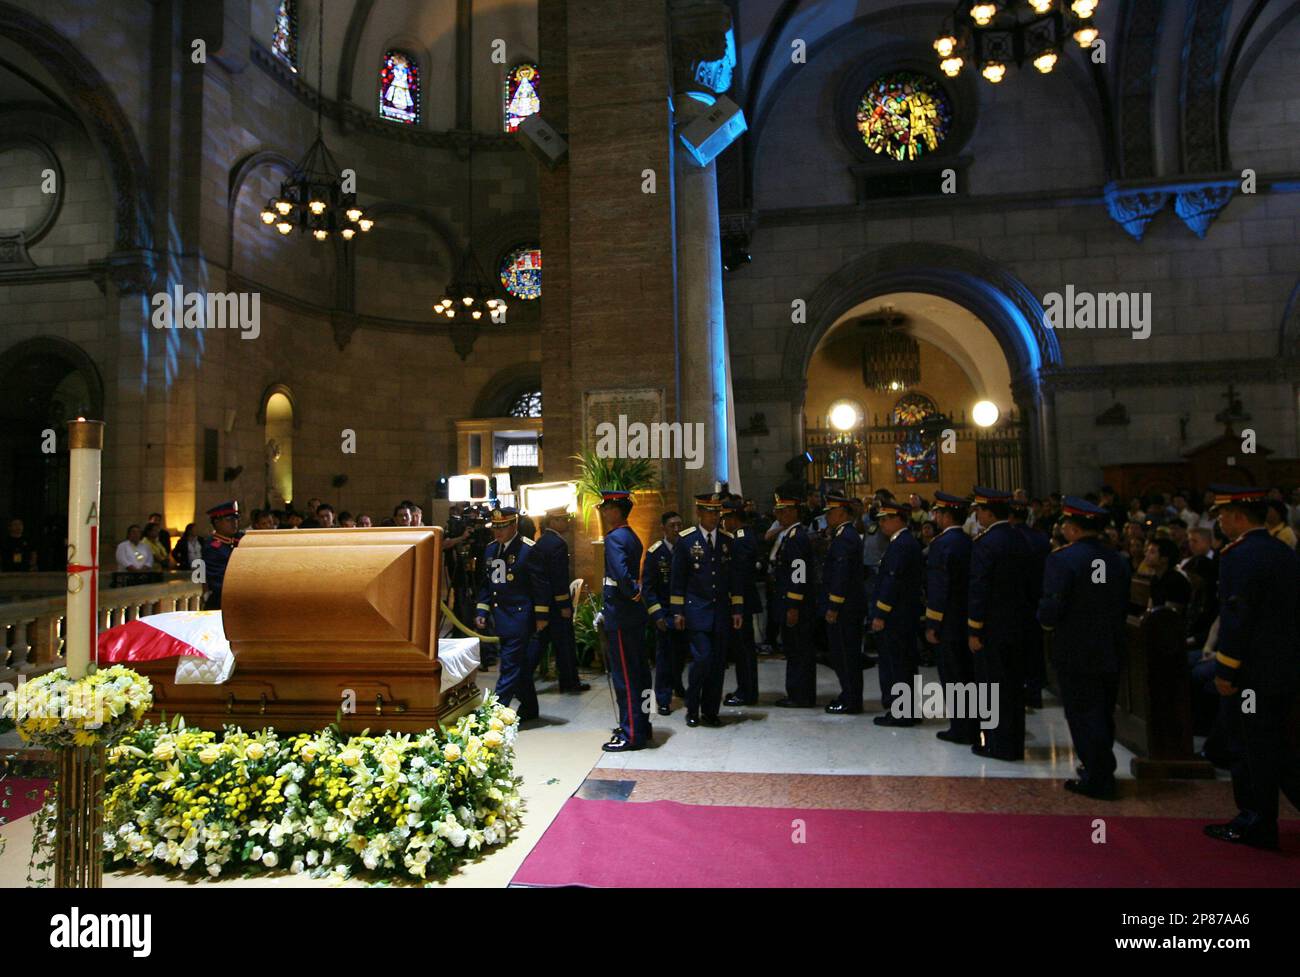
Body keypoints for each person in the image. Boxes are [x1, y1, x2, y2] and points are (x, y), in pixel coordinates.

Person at [1203, 485, 1300, 850]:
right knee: (1278, 747)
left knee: (1248, 747)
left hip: (1251, 675)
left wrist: (1226, 670)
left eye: (1223, 515)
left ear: (1239, 517)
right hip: (1283, 669)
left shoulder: (1240, 555)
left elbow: (1237, 618)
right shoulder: (1283, 551)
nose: (1221, 522)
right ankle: (1259, 819)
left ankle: (1255, 822)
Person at [1038, 497, 1132, 799]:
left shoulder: (1063, 559)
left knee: (1081, 712)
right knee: (1103, 710)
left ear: (1074, 528)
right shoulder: (1117, 559)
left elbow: (1052, 604)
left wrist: (1047, 625)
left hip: (1076, 647)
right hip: (1111, 645)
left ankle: (1097, 776)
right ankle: (1101, 766)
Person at [966, 487, 1033, 761]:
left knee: (992, 686)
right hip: (1019, 625)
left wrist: (974, 628)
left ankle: (996, 743)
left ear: (989, 513)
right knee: (1014, 687)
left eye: (979, 510)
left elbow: (979, 588)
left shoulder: (986, 543)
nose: (976, 514)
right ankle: (1014, 742)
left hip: (992, 628)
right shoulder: (1022, 539)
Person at [671, 491, 742, 728]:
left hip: (720, 612)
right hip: (696, 611)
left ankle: (711, 711)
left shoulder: (726, 540)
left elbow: (734, 578)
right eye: (710, 512)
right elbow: (678, 579)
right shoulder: (686, 540)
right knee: (702, 659)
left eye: (717, 512)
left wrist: (737, 609)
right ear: (699, 513)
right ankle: (692, 708)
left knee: (717, 664)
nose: (714, 517)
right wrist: (678, 610)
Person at [474, 507, 548, 722]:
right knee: (520, 665)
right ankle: (530, 707)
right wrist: (482, 610)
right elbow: (487, 585)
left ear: (513, 526)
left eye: (502, 527)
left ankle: (494, 712)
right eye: (495, 527)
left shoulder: (527, 550)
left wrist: (541, 616)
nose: (497, 532)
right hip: (501, 615)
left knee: (509, 664)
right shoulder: (491, 550)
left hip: (520, 617)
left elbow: (540, 586)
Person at [597, 490, 653, 752]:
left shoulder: (614, 538)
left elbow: (620, 574)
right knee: (640, 674)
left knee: (626, 678)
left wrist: (632, 593)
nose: (604, 512)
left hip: (621, 613)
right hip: (631, 614)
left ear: (618, 510)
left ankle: (631, 734)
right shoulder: (630, 535)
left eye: (607, 508)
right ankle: (642, 724)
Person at [925, 492, 975, 743]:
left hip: (947, 620)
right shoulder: (968, 541)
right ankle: (971, 723)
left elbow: (939, 586)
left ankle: (961, 728)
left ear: (946, 516)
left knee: (953, 674)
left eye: (938, 513)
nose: (935, 517)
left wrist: (933, 622)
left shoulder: (942, 544)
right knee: (966, 673)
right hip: (965, 617)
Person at [868, 497, 922, 724]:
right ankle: (908, 710)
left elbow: (892, 582)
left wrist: (880, 613)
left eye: (887, 519)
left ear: (899, 520)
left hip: (896, 616)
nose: (882, 524)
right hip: (903, 614)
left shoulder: (901, 544)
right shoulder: (903, 541)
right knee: (904, 663)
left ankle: (901, 712)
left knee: (897, 664)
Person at [530, 506, 589, 694]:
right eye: (562, 519)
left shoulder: (541, 542)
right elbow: (558, 577)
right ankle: (569, 682)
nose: (566, 522)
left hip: (544, 603)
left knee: (541, 644)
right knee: (565, 644)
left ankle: (521, 678)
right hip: (556, 605)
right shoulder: (557, 544)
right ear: (552, 521)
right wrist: (564, 604)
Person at [821, 494, 866, 714]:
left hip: (845, 609)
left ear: (842, 514)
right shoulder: (844, 535)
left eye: (831, 513)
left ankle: (851, 699)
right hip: (847, 607)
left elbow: (841, 574)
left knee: (845, 655)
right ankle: (848, 694)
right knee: (843, 654)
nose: (828, 517)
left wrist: (833, 606)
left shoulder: (845, 537)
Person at [772, 491, 816, 708]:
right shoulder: (790, 535)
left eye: (783, 511)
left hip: (796, 604)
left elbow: (798, 573)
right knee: (794, 649)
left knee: (798, 650)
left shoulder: (796, 538)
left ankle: (800, 695)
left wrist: (793, 605)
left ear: (792, 513)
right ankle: (799, 692)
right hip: (790, 601)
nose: (779, 515)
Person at [643, 510, 687, 715]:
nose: (677, 529)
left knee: (680, 655)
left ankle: (678, 685)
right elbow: (648, 588)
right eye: (672, 526)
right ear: (664, 528)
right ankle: (662, 698)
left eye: (679, 525)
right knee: (664, 657)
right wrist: (657, 615)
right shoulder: (655, 553)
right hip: (665, 612)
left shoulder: (687, 548)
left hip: (685, 611)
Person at [1010, 499, 1052, 708]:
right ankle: (1034, 691)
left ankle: (1019, 693)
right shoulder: (1041, 537)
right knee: (1034, 649)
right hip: (1036, 598)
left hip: (1014, 602)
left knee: (1015, 651)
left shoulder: (1010, 538)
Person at [723, 498, 761, 707]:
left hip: (742, 600)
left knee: (744, 650)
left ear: (732, 518)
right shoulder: (742, 536)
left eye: (725, 518)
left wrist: (736, 601)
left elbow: (739, 573)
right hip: (742, 599)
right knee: (743, 649)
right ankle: (745, 689)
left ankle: (746, 691)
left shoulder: (740, 539)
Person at [201, 501, 242, 609]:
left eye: (236, 519)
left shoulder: (239, 540)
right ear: (217, 522)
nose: (234, 523)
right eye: (229, 520)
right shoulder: (212, 548)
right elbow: (219, 581)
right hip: (221, 603)